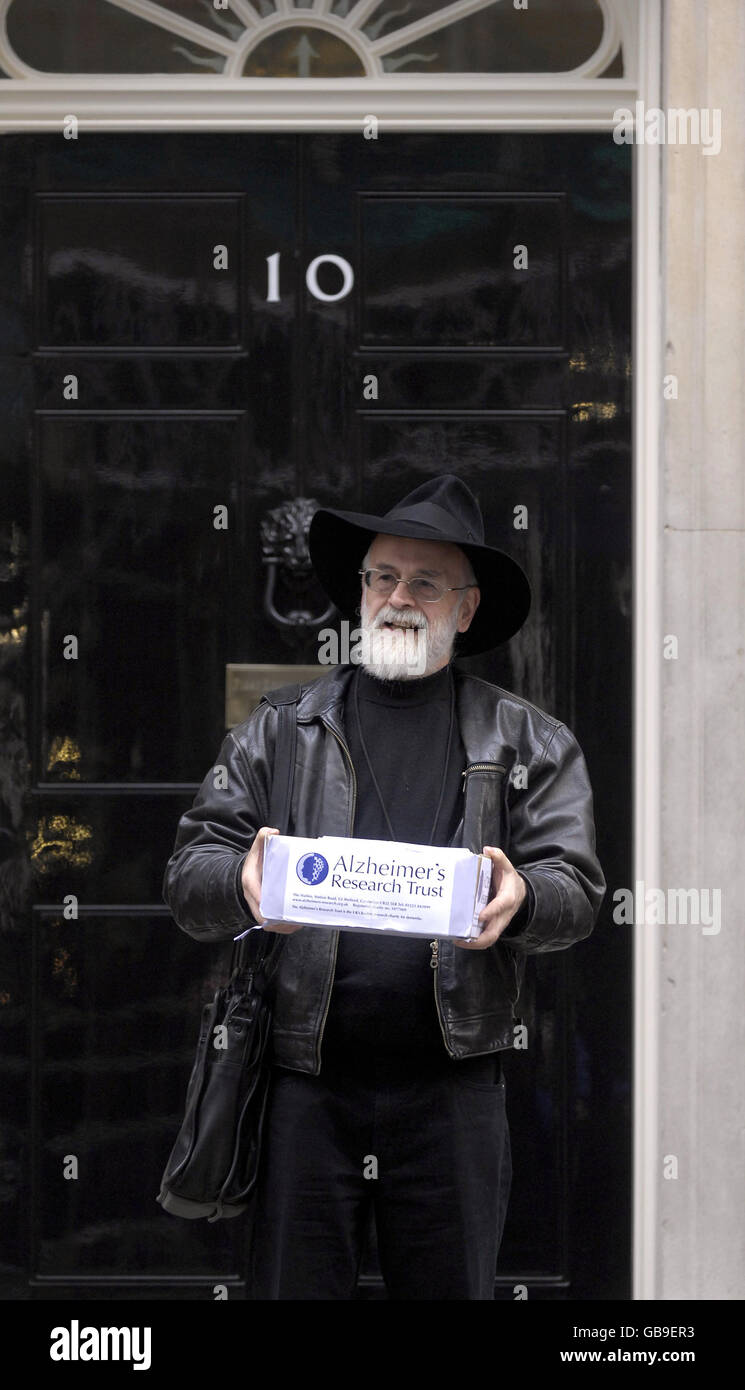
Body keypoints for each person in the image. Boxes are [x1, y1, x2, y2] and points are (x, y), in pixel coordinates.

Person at [163, 474, 606, 1301]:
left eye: (425, 582)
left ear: (465, 608)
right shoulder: (279, 727)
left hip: (452, 1092)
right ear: (361, 590)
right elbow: (190, 875)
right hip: (303, 1087)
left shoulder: (526, 741)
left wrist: (524, 901)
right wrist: (243, 883)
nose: (397, 599)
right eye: (381, 578)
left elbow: (576, 889)